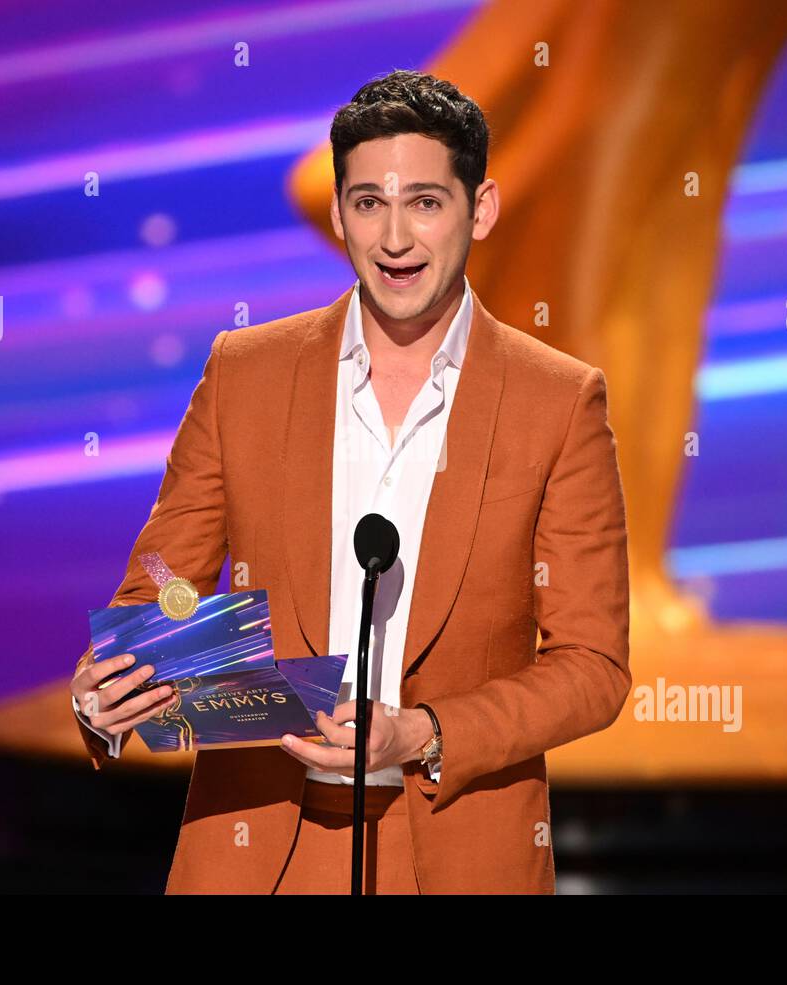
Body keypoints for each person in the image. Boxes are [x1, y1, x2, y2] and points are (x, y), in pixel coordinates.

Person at [68, 69, 631, 894]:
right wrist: (119, 672)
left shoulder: (557, 399)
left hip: (452, 843)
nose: (395, 237)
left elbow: (592, 664)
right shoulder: (246, 374)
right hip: (260, 849)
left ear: (481, 209)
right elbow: (161, 582)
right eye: (369, 203)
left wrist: (423, 732)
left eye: (427, 203)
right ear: (337, 215)